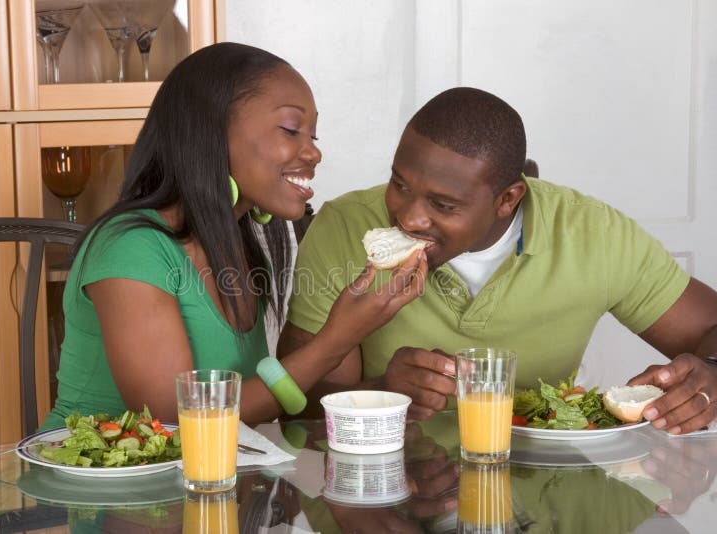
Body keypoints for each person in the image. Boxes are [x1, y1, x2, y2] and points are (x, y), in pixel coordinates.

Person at [279, 87, 717, 435]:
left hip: (545, 497)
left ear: (508, 199)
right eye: (400, 183)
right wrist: (383, 394)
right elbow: (297, 413)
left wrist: (710, 377)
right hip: (387, 490)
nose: (409, 216)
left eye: (443, 204)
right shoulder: (344, 227)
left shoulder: (593, 234)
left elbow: (709, 329)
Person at [40, 42, 427, 431]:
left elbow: (255, 401)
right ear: (211, 129)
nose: (313, 154)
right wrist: (339, 338)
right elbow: (176, 421)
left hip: (206, 483)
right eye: (292, 130)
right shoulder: (130, 249)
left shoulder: (235, 247)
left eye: (314, 136)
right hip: (92, 487)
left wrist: (379, 384)